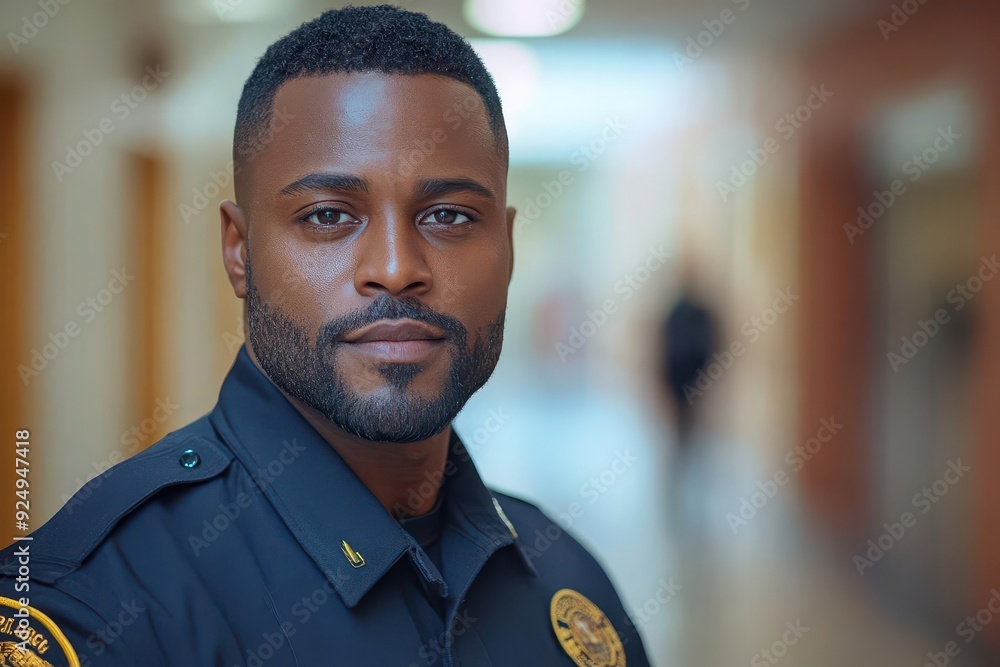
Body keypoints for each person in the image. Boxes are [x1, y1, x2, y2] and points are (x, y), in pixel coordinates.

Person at [0, 6, 651, 666]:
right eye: (329, 215)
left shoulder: (568, 584)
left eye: (449, 215)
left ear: (507, 248)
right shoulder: (96, 607)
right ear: (239, 251)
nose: (396, 268)